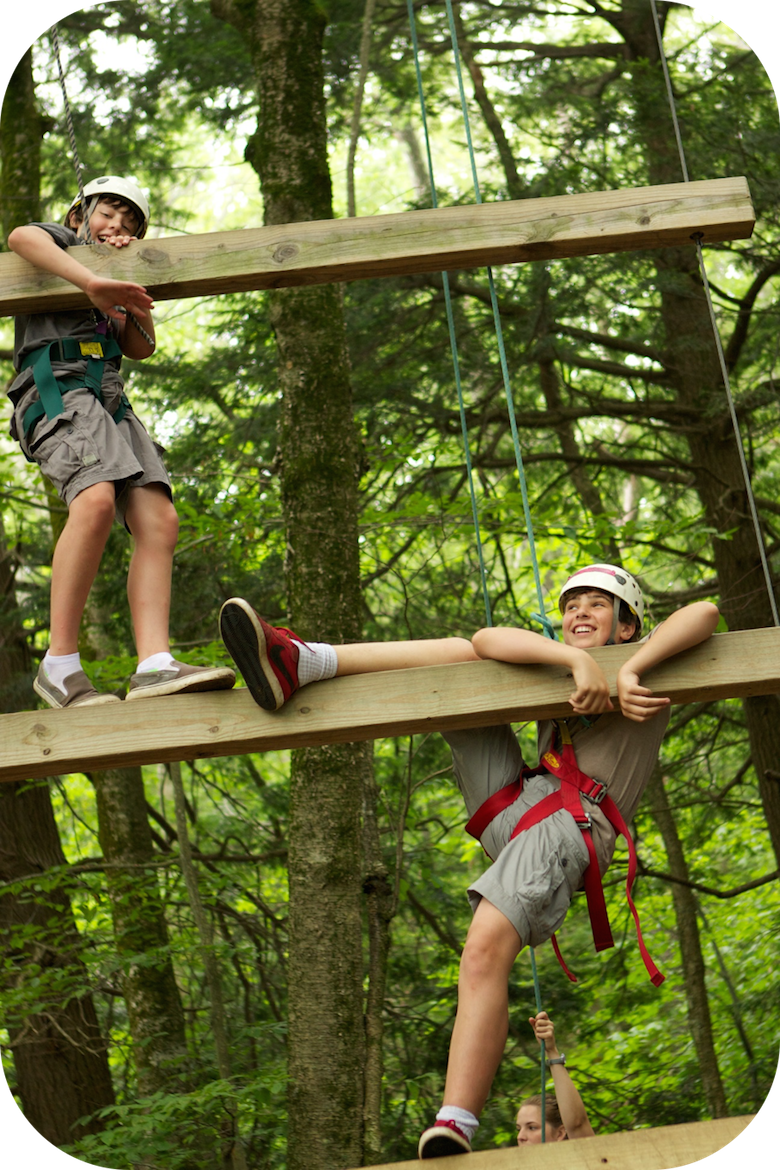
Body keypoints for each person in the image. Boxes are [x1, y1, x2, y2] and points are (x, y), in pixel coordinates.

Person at [217, 564, 719, 1158]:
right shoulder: (558, 664)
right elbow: (485, 640)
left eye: (598, 604)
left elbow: (705, 613)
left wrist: (629, 668)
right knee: (461, 654)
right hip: (514, 804)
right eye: (572, 605)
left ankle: (455, 1123)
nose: (581, 612)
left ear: (629, 625)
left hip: (571, 827)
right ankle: (305, 662)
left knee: (482, 951)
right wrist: (573, 660)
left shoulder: (649, 667)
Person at [7, 176, 235, 708]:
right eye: (108, 213)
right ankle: (60, 665)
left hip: (108, 398)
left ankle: (155, 663)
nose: (117, 226)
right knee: (94, 500)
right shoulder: (61, 244)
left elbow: (140, 346)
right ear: (78, 215)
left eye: (130, 223)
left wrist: (128, 283)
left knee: (159, 519)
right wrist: (92, 278)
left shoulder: (115, 269)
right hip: (58, 385)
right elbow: (20, 237)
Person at [515, 1010, 595, 1145]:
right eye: (518, 1129)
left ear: (559, 1134)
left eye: (532, 1127)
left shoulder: (583, 1155)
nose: (520, 1137)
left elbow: (577, 1124)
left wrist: (551, 1051)